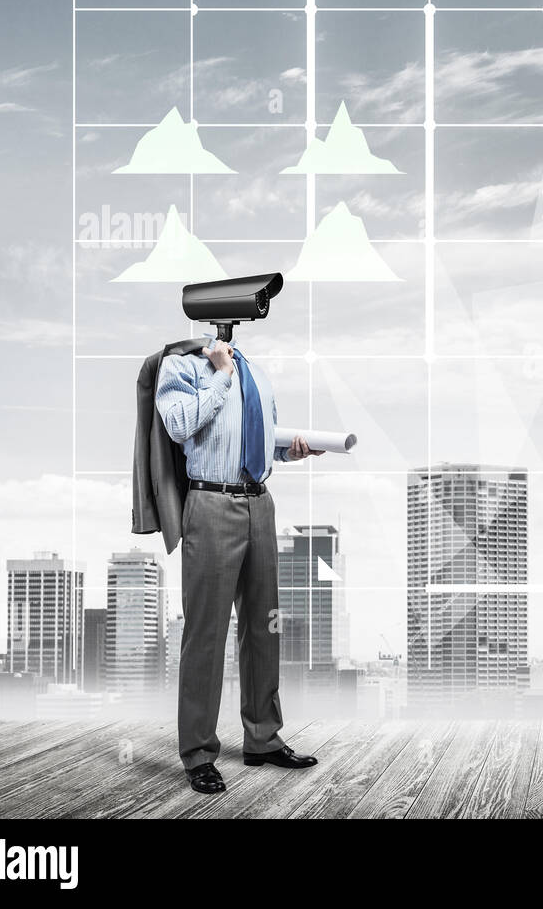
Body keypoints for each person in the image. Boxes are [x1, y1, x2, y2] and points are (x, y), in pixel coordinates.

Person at [155, 335, 323, 794]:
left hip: (260, 505)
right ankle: (198, 753)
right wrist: (221, 373)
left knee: (264, 629)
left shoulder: (258, 373)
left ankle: (263, 738)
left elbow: (258, 440)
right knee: (206, 633)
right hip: (210, 502)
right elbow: (179, 425)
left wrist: (291, 450)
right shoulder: (182, 366)